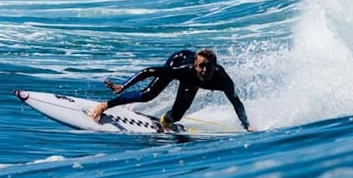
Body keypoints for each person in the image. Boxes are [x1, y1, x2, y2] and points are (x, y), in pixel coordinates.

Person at [89, 48, 250, 131]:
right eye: (201, 66)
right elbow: (149, 71)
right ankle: (105, 105)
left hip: (191, 80)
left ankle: (165, 121)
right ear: (195, 65)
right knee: (148, 95)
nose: (205, 70)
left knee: (177, 116)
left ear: (215, 66)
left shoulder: (223, 80)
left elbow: (237, 103)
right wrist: (123, 85)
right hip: (177, 61)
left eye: (209, 67)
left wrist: (247, 126)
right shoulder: (183, 70)